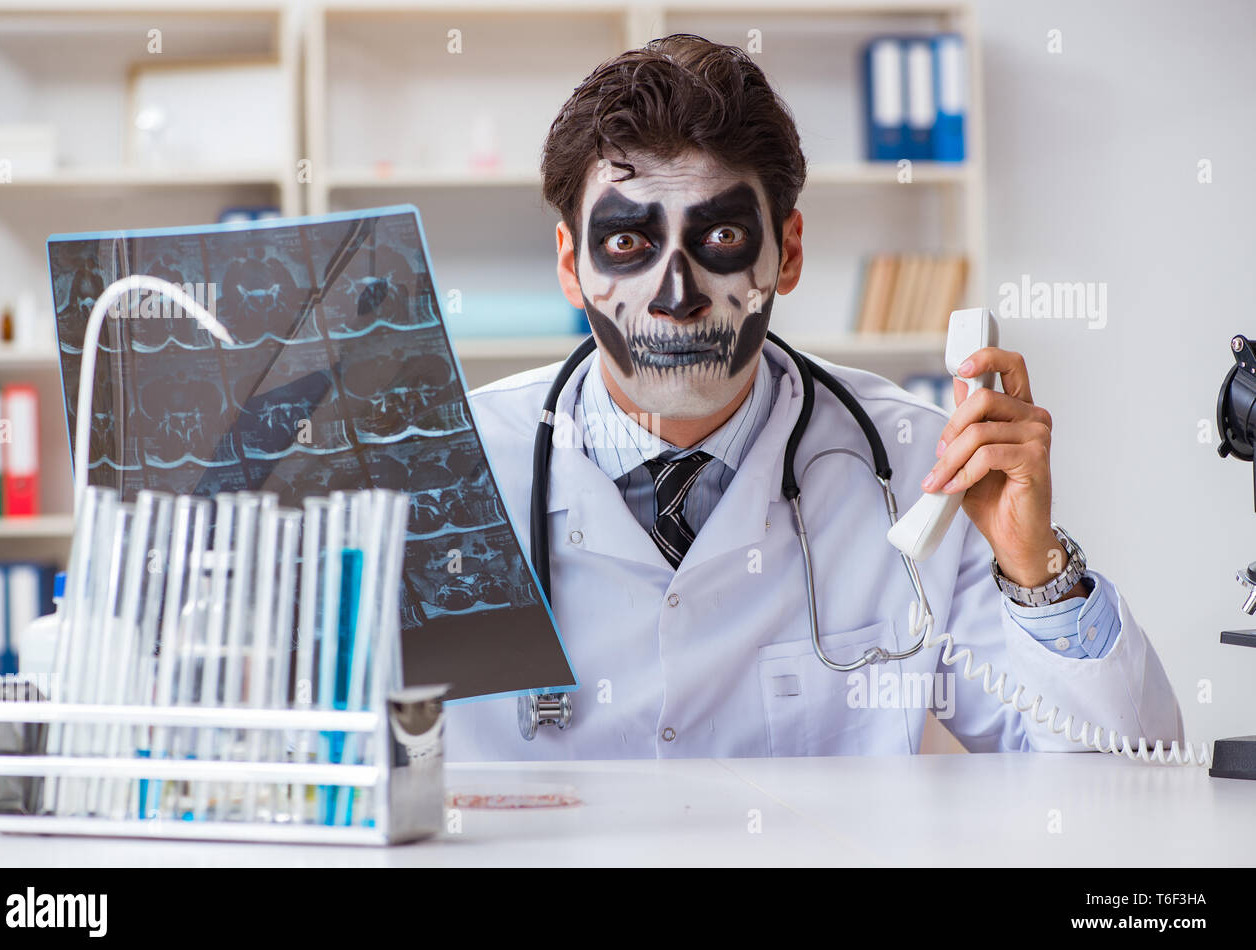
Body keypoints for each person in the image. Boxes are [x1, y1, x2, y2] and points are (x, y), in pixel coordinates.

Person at [445, 34, 1183, 759]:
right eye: (629, 244)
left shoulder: (921, 467)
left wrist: (1037, 567)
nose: (677, 297)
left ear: (788, 252)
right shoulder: (446, 467)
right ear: (572, 266)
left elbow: (1126, 787)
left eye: (723, 234)